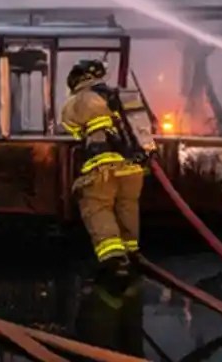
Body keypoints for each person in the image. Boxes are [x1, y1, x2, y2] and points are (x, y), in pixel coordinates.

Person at [59, 59, 153, 279]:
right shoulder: (122, 97)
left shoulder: (79, 100)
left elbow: (73, 131)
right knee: (126, 206)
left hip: (103, 165)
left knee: (96, 206)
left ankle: (114, 260)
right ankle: (131, 251)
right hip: (133, 167)